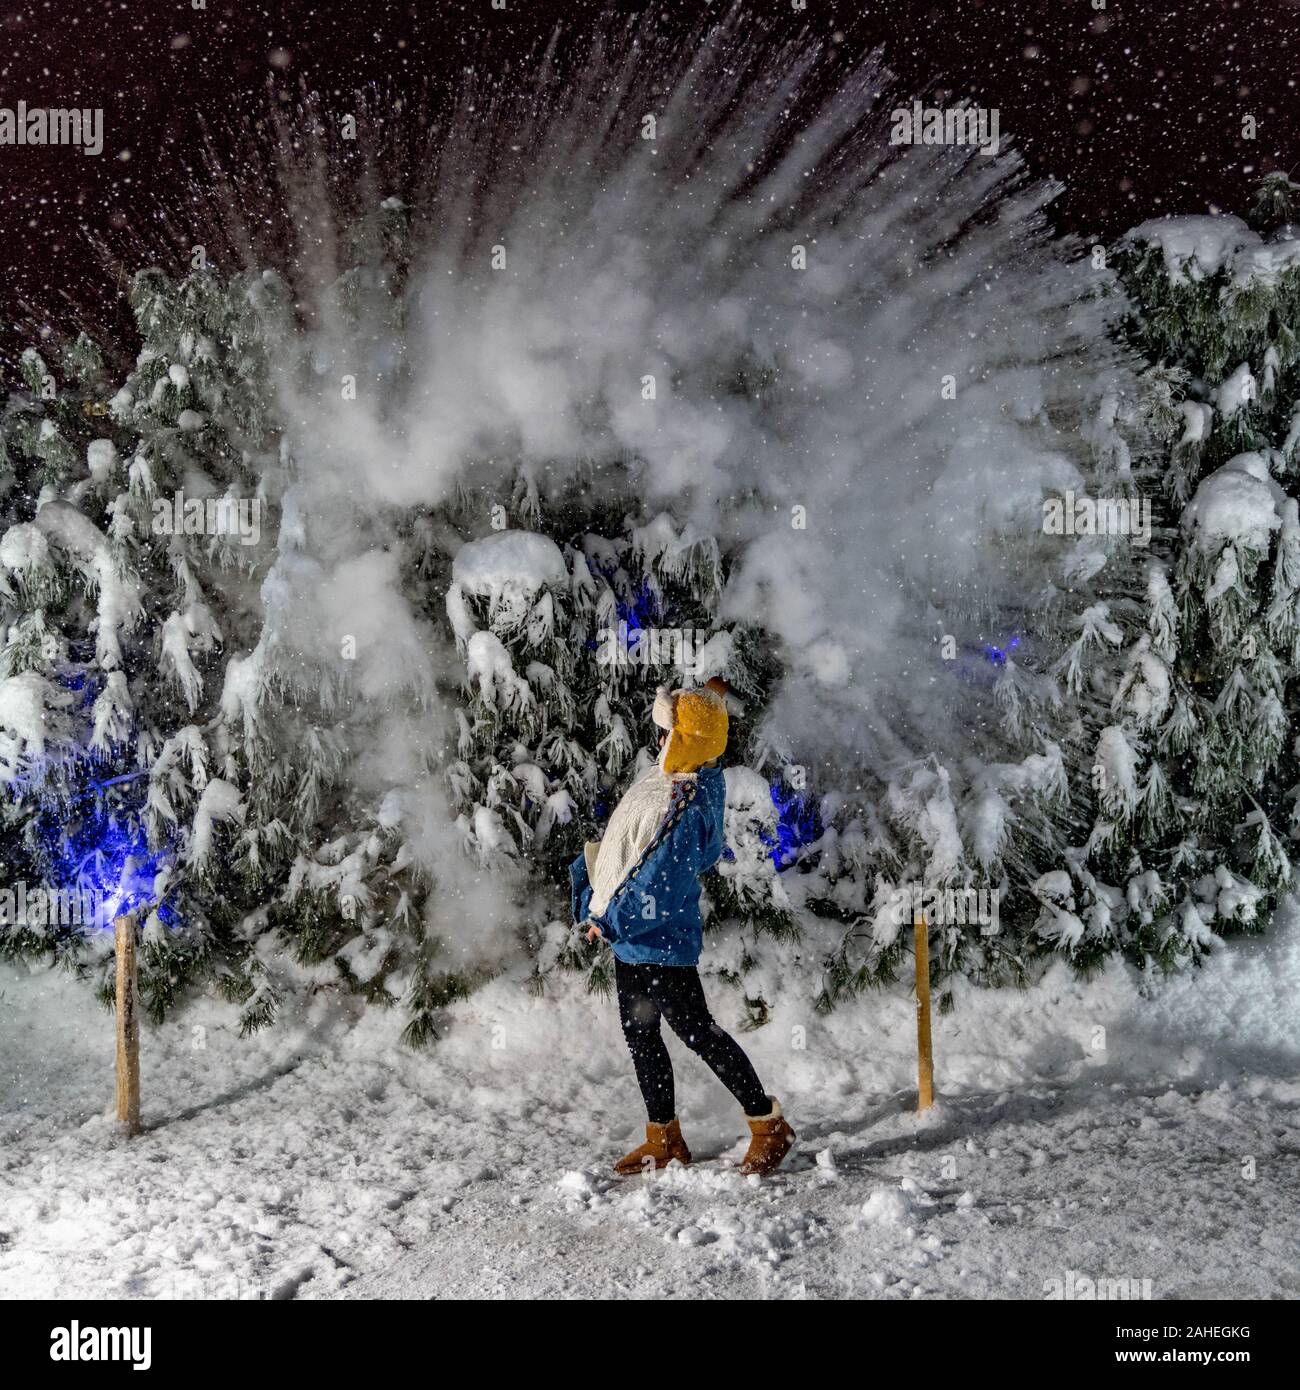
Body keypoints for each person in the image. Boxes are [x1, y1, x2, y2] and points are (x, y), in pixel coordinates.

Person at [570, 678, 796, 1177]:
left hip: (659, 941)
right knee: (640, 1033)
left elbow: (656, 884)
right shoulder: (677, 776)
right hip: (633, 941)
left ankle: (768, 1125)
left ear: (685, 743)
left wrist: (606, 921)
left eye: (668, 733)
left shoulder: (687, 806)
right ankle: (664, 1138)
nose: (659, 740)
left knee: (698, 1032)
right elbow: (628, 851)